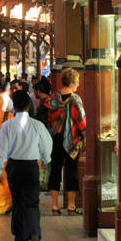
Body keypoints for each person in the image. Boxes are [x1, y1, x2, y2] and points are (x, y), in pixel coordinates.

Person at [0, 89, 52, 241]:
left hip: (14, 167)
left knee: (18, 202)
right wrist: (45, 159)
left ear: (14, 106)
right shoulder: (37, 125)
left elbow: (1, 149)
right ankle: (34, 232)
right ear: (29, 105)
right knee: (32, 202)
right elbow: (46, 145)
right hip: (31, 167)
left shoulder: (6, 126)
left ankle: (18, 240)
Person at [45, 67, 86, 216]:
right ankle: (71, 206)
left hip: (56, 138)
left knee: (55, 170)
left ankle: (55, 206)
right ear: (73, 81)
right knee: (72, 171)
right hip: (71, 140)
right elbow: (80, 120)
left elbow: (49, 118)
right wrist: (84, 135)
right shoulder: (75, 99)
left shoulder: (54, 99)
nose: (79, 84)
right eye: (78, 81)